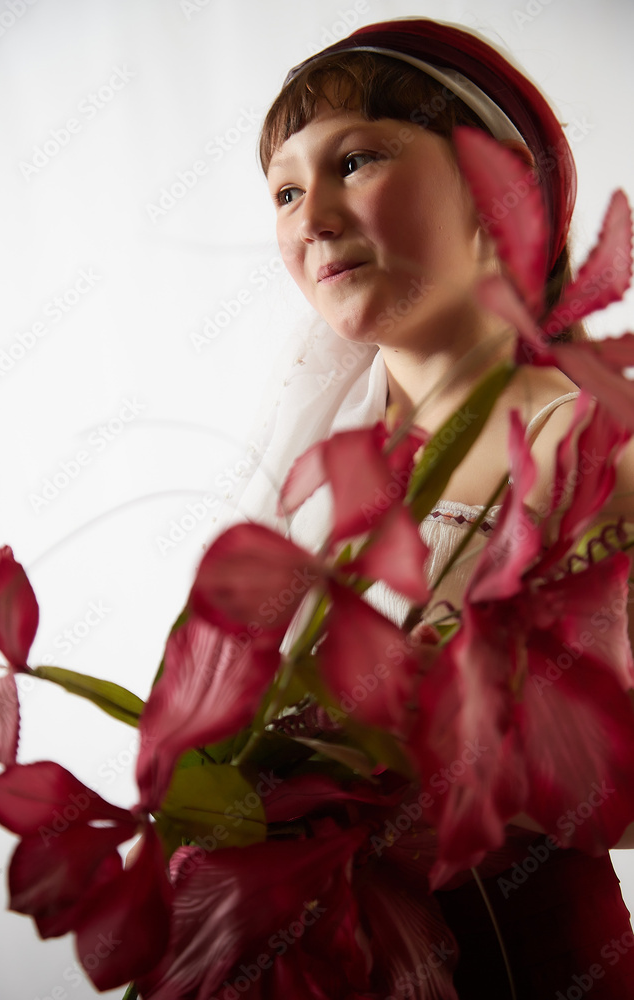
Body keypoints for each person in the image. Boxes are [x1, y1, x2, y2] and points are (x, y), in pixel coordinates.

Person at [231, 16, 634, 1000]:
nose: (310, 218)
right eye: (284, 191)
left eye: (353, 161)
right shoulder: (317, 472)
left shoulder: (593, 448)